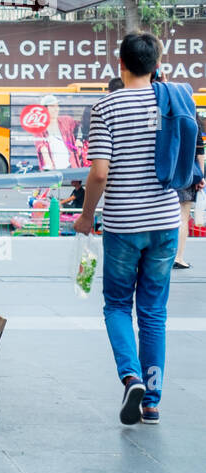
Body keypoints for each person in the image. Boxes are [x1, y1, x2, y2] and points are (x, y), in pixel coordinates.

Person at [75, 33, 181, 426]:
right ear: (156, 64)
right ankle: (152, 401)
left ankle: (131, 376)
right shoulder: (171, 100)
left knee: (118, 305)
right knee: (153, 312)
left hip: (124, 224)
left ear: (119, 63)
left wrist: (87, 215)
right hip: (167, 222)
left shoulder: (106, 106)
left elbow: (99, 173)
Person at [173, 122, 205, 270]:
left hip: (164, 172)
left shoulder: (164, 114)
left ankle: (162, 257)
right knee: (183, 217)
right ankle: (178, 258)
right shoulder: (192, 121)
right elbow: (199, 152)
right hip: (186, 173)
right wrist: (201, 176)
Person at [34, 95, 85, 170]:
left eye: (57, 106)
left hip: (71, 168)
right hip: (54, 171)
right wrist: (49, 167)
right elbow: (42, 147)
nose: (56, 109)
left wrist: (79, 139)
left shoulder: (66, 121)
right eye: (52, 106)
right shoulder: (39, 127)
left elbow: (80, 125)